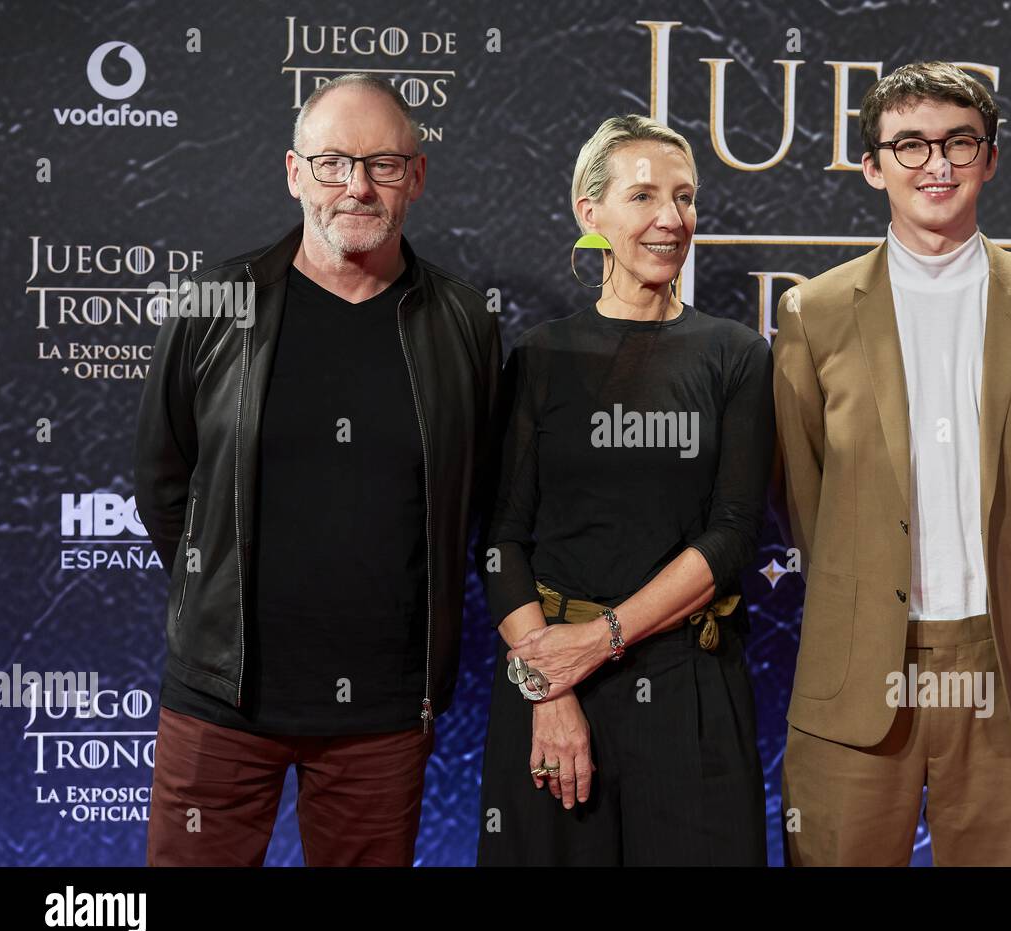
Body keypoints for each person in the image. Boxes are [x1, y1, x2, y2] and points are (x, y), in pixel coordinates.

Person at [134, 73, 500, 866]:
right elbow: (166, 485)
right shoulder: (216, 305)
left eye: (383, 165)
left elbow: (481, 501)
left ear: (418, 178)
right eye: (332, 163)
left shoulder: (464, 323)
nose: (357, 186)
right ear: (295, 172)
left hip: (384, 713)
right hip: (219, 706)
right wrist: (217, 596)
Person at [772, 61, 1011, 865]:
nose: (938, 165)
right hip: (857, 668)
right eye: (911, 145)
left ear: (990, 159)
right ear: (873, 165)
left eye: (960, 142)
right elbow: (803, 493)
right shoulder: (811, 313)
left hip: (1003, 668)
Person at [475, 114, 773, 865]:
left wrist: (599, 641)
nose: (671, 219)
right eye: (643, 197)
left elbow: (733, 534)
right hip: (549, 691)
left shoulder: (735, 355)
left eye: (684, 197)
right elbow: (501, 538)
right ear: (591, 213)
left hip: (690, 687)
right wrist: (551, 687)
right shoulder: (540, 359)